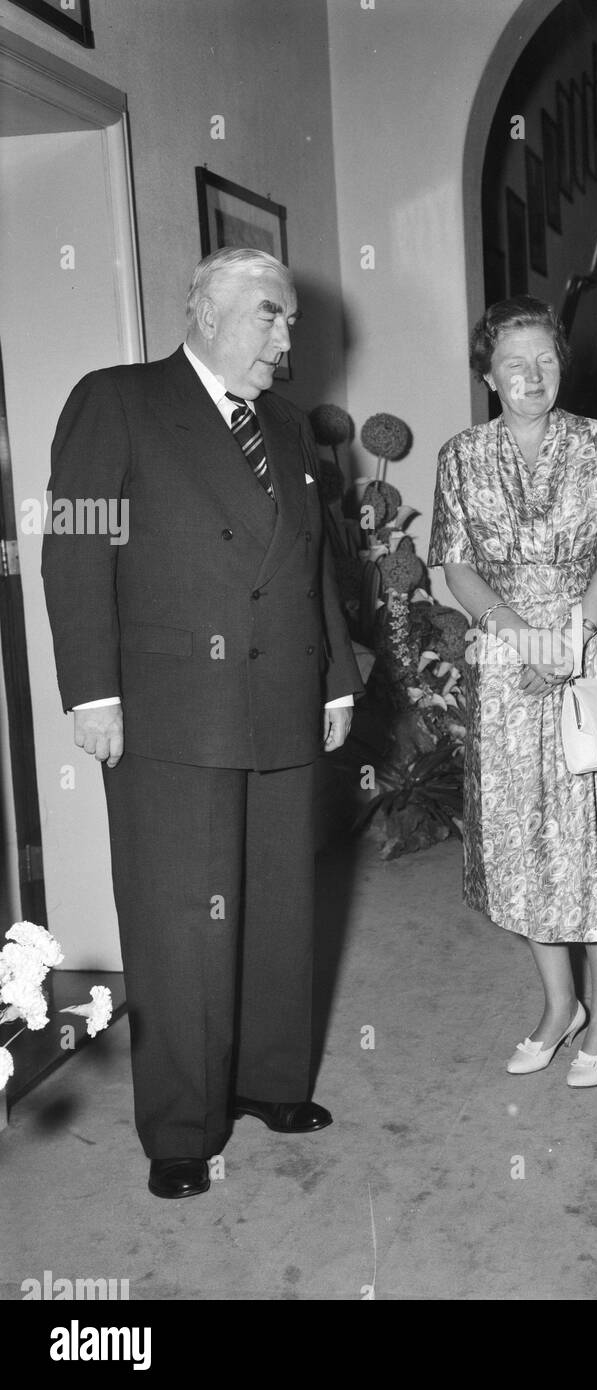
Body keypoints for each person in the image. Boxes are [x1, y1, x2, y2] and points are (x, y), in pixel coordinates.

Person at [41, 247, 365, 1199]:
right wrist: (91, 691)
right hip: (169, 710)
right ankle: (183, 1129)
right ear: (207, 310)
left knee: (276, 904)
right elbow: (74, 548)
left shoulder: (289, 426)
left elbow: (312, 568)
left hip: (280, 700)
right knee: (181, 919)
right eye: (272, 315)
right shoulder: (119, 399)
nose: (287, 336)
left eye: (293, 319)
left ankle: (271, 1082)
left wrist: (336, 681)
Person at [429, 296, 597, 1087]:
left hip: (586, 648)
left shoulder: (595, 443)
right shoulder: (459, 455)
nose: (532, 375)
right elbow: (455, 563)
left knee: (594, 838)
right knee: (523, 841)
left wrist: (573, 632)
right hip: (502, 661)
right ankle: (558, 1007)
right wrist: (515, 629)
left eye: (546, 360)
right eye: (514, 362)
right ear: (487, 374)